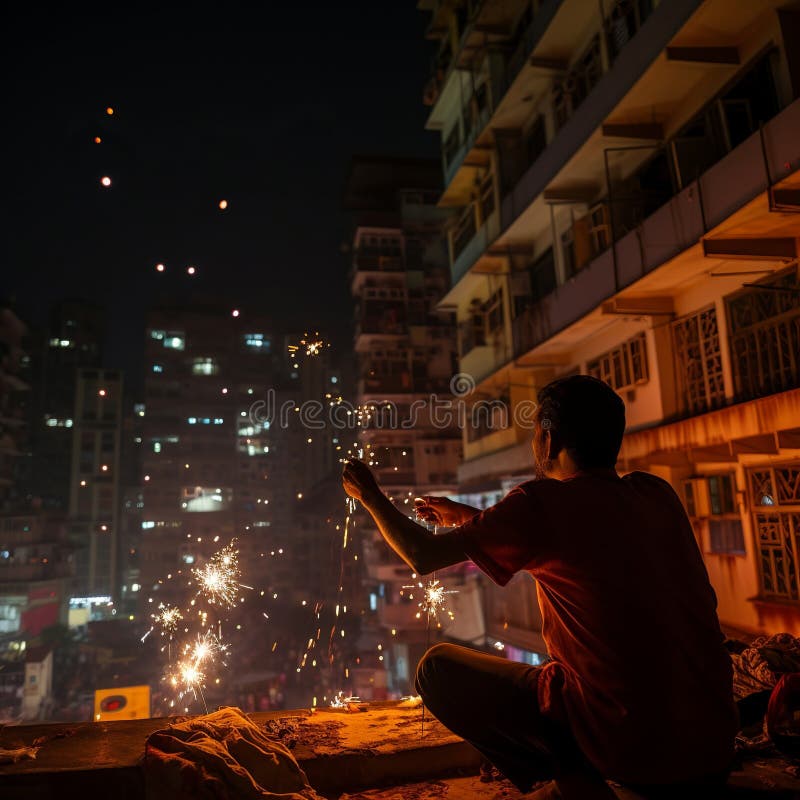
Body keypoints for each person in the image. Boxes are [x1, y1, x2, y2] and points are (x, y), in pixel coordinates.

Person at [342, 375, 737, 799]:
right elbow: (572, 537)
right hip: (712, 743)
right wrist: (468, 519)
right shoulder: (656, 494)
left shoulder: (540, 504)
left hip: (631, 752)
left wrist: (369, 495)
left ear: (548, 440)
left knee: (436, 669)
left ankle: (573, 781)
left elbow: (422, 556)